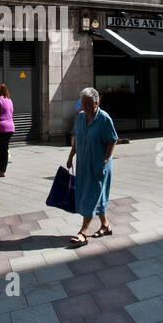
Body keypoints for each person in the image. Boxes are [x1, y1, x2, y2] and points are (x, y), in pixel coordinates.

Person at [66, 86, 118, 246]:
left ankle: (84, 231)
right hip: (82, 164)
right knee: (91, 193)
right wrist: (70, 156)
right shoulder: (81, 117)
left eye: (88, 103)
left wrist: (105, 159)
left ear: (96, 102)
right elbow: (77, 138)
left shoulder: (104, 118)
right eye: (83, 103)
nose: (85, 107)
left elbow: (112, 139)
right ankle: (105, 225)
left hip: (98, 164)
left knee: (91, 195)